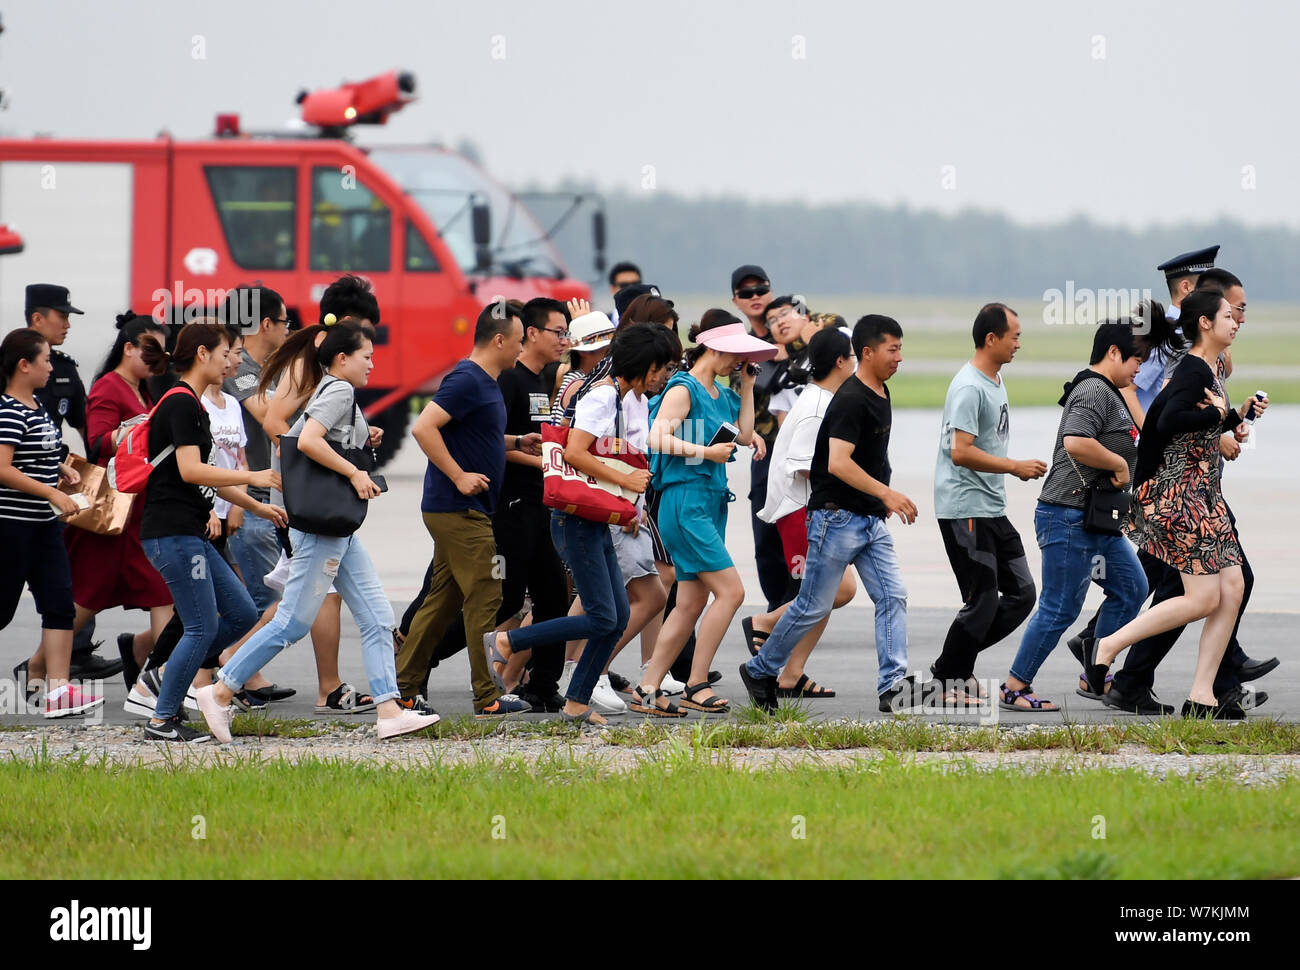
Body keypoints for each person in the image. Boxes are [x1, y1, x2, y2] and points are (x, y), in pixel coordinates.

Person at [196, 321, 440, 741]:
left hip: (336, 529)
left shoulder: (331, 388)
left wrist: (365, 439)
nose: (372, 363)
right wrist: (354, 472)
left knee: (378, 617)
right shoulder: (340, 389)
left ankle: (388, 709)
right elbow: (307, 442)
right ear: (343, 358)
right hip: (322, 529)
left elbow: (292, 438)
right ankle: (219, 691)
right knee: (291, 621)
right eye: (367, 356)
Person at [488, 323, 679, 726]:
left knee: (618, 616)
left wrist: (630, 505)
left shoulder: (625, 397)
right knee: (600, 617)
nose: (664, 376)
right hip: (576, 519)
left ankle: (576, 701)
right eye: (661, 367)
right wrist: (627, 483)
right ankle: (508, 640)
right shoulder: (604, 396)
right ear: (642, 364)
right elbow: (575, 452)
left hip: (599, 517)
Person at [1080, 290, 1252, 719]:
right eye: (1228, 315)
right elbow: (1169, 420)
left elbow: (1175, 424)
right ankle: (1106, 645)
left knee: (1233, 588)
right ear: (1205, 324)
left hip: (1203, 497)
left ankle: (1202, 696)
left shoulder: (1208, 370)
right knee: (1202, 599)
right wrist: (1219, 418)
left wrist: (1234, 418)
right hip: (1180, 498)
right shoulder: (1193, 368)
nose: (1237, 322)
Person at [738, 315, 921, 715]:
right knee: (812, 606)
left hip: (870, 520)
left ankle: (893, 685)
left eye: (900, 348)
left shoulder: (880, 391)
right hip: (835, 518)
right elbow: (838, 463)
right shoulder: (850, 399)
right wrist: (887, 493)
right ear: (867, 353)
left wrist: (880, 500)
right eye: (893, 349)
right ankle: (761, 668)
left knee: (893, 596)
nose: (899, 357)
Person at [137, 323, 282, 743]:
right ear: (203, 354)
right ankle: (163, 719)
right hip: (172, 533)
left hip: (191, 533)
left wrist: (256, 504)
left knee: (241, 613)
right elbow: (190, 470)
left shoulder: (195, 406)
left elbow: (210, 479)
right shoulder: (181, 403)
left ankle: (169, 672)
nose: (231, 363)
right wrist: (255, 473)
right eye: (225, 353)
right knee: (200, 628)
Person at [996, 321, 1151, 711]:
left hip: (1098, 520)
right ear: (1113, 353)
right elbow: (1076, 441)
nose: (1139, 368)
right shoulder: (1093, 389)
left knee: (1132, 587)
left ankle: (1096, 667)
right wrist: (1118, 463)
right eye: (1136, 359)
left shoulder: (1112, 392)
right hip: (1067, 517)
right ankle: (1015, 686)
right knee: (1060, 605)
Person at [21, 312, 176, 699]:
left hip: (137, 512)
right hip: (112, 512)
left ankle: (163, 681)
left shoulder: (142, 387)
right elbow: (97, 443)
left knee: (158, 593)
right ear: (129, 348)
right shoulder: (110, 387)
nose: (159, 360)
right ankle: (40, 667)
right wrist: (136, 429)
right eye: (151, 350)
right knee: (86, 599)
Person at [394, 301, 537, 718]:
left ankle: (402, 688)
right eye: (518, 341)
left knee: (443, 599)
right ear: (498, 340)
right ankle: (486, 696)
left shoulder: (486, 381)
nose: (520, 349)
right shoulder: (466, 379)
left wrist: (515, 442)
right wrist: (458, 475)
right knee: (487, 593)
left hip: (462, 508)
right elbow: (424, 427)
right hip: (459, 507)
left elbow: (474, 434)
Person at [637, 309, 774, 715]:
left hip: (710, 501)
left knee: (690, 603)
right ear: (712, 347)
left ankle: (648, 689)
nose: (739, 361)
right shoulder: (684, 389)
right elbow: (655, 437)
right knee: (731, 592)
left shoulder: (722, 392)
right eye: (735, 353)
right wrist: (705, 452)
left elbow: (745, 435)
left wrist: (747, 386)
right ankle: (696, 682)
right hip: (684, 502)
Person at [258, 275, 382, 714]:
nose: (368, 344)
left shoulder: (334, 367)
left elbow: (322, 427)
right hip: (303, 499)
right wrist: (313, 462)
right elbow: (277, 422)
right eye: (363, 330)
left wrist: (354, 438)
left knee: (308, 595)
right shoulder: (310, 361)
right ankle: (227, 670)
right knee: (309, 598)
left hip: (318, 495)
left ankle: (227, 671)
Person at [930, 304, 1044, 703]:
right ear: (991, 339)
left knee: (1023, 594)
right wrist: (1013, 466)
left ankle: (956, 668)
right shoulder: (969, 387)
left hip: (991, 506)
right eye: (1014, 336)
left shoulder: (993, 380)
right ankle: (948, 678)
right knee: (981, 600)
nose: (1018, 343)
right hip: (965, 508)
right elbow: (960, 451)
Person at [747, 326, 858, 699]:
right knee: (835, 590)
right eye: (854, 356)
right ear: (841, 362)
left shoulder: (824, 399)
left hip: (813, 510)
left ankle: (792, 674)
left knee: (827, 592)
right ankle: (764, 622)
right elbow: (805, 466)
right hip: (799, 510)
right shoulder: (815, 408)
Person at [0, 328, 100, 718]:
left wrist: (60, 469)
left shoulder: (37, 406)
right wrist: (52, 494)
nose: (50, 366)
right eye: (45, 360)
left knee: (59, 602)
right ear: (24, 365)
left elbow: (39, 450)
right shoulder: (7, 409)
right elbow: (3, 469)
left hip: (44, 526)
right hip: (12, 527)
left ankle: (57, 691)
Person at [25, 283, 122, 681]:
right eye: (61, 316)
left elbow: (85, 427)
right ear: (37, 319)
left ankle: (70, 656)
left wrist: (94, 482)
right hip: (18, 491)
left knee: (66, 576)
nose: (67, 324)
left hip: (60, 485)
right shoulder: (8, 366)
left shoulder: (64, 369)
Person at [484, 297, 574, 710]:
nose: (564, 340)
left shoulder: (542, 381)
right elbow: (493, 445)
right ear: (531, 334)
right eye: (558, 332)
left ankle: (542, 686)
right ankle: (420, 665)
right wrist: (542, 460)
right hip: (512, 503)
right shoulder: (509, 380)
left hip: (541, 505)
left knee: (554, 595)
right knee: (504, 597)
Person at [220, 285, 292, 618]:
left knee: (245, 604)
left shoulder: (264, 368)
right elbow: (265, 414)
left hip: (264, 499)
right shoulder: (239, 368)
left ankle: (142, 651)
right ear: (266, 324)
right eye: (284, 321)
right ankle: (235, 666)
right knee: (270, 604)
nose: (287, 329)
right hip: (248, 501)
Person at [729, 264, 786, 614]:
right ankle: (776, 607)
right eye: (746, 293)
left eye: (760, 290)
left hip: (802, 450)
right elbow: (737, 394)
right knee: (766, 535)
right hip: (764, 448)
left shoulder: (796, 332)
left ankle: (801, 606)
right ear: (735, 300)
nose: (755, 298)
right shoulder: (741, 345)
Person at [1130, 246, 1218, 414]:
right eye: (1210, 286)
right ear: (1186, 287)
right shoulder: (1164, 334)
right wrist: (1149, 436)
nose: (1217, 294)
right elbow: (1127, 390)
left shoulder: (1197, 332)